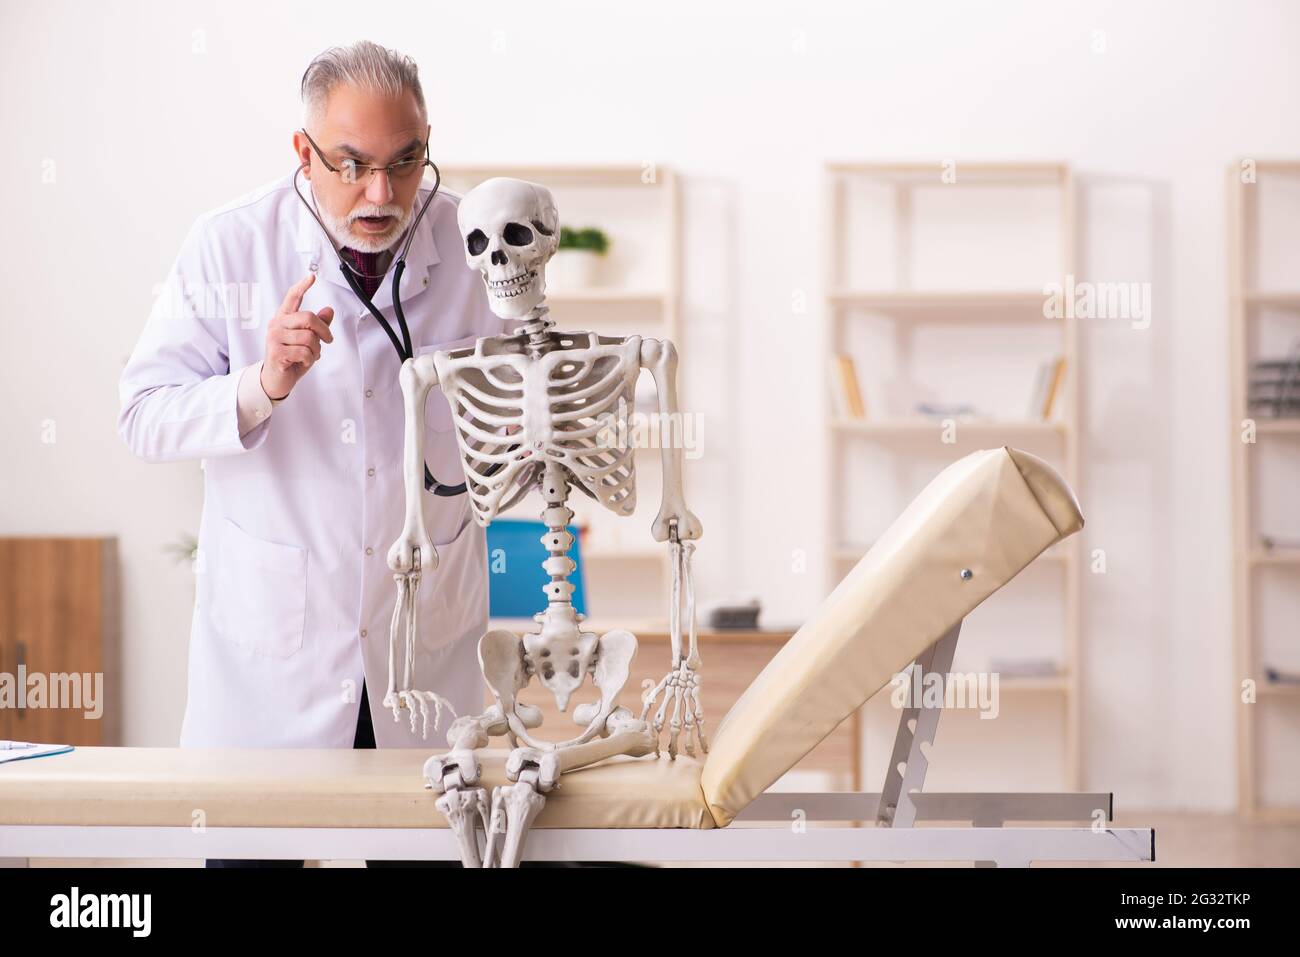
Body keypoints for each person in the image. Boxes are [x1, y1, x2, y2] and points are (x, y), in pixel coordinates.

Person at [119, 40, 501, 867]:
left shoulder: (479, 247)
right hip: (270, 673)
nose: (381, 192)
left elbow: (520, 422)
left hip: (422, 660)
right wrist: (262, 382)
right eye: (353, 163)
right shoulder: (229, 246)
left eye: (406, 163)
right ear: (304, 151)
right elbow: (144, 415)